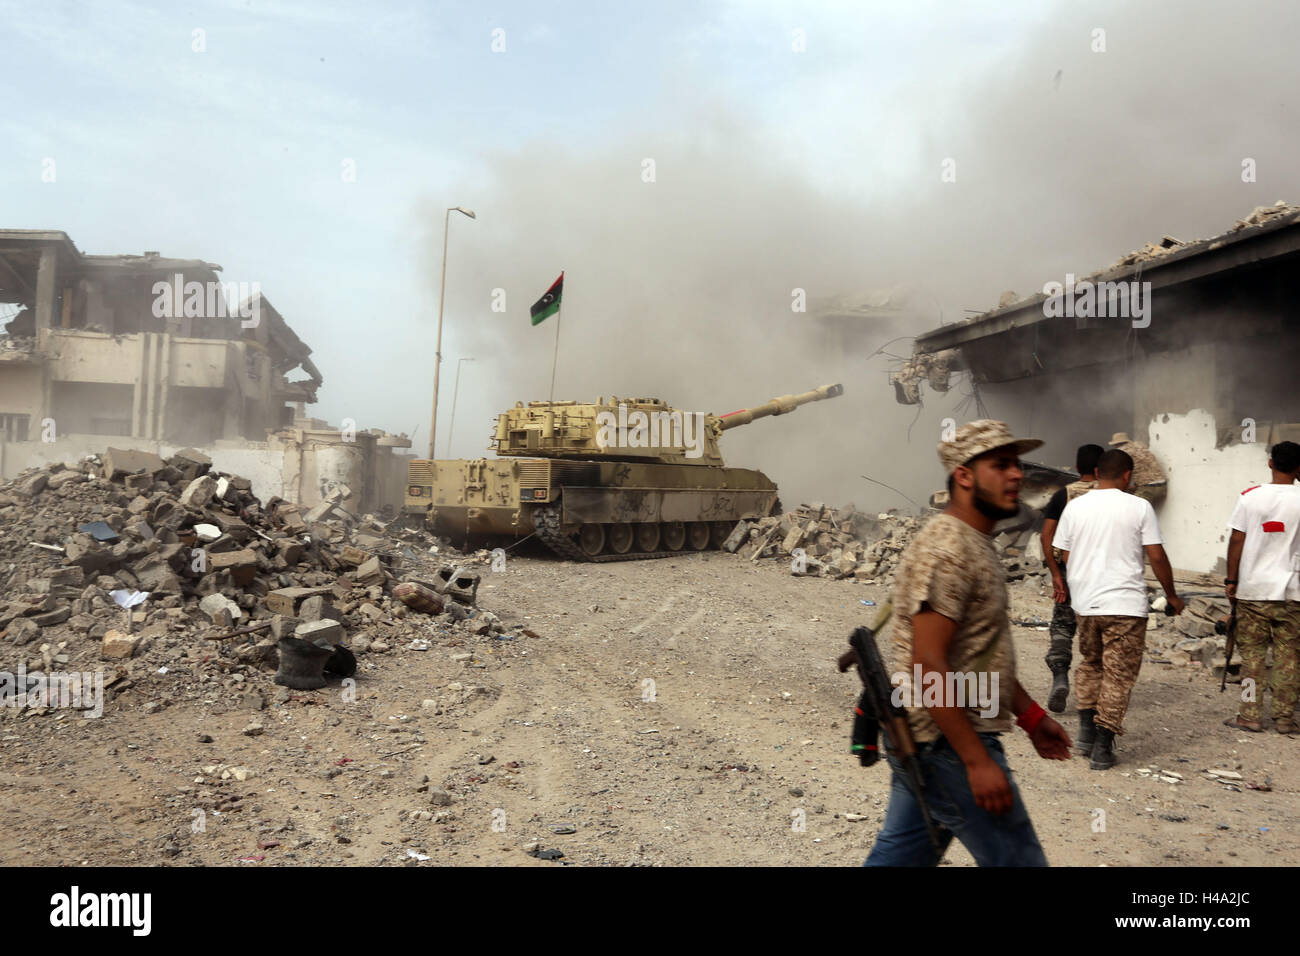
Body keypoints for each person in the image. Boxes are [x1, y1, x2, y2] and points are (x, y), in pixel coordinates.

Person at [864, 420, 1072, 867]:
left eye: (1017, 465)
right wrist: (976, 761)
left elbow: (980, 654)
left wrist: (1032, 716)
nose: (1016, 475)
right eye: (1000, 465)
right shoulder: (948, 548)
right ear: (963, 475)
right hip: (947, 741)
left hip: (932, 739)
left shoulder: (976, 542)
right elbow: (928, 664)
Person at [1055, 449, 1185, 770]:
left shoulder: (1075, 506)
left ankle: (1085, 733)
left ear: (1098, 472)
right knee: (1118, 674)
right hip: (1125, 605)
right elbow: (1156, 555)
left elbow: (1064, 554)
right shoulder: (1139, 507)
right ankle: (1102, 745)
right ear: (1127, 475)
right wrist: (1172, 595)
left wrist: (1083, 583)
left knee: (1091, 663)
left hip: (1086, 604)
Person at [1224, 440, 1300, 734]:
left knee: (1252, 657)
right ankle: (1285, 719)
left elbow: (1236, 540)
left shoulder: (1250, 497)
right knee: (1289, 656)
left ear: (1270, 463)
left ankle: (1249, 715)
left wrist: (1231, 580)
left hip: (1253, 591)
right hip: (1293, 592)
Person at [1040, 443, 1105, 712]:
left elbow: (1047, 536)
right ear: (1102, 468)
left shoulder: (1062, 496)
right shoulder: (1114, 496)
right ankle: (1096, 693)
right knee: (1100, 631)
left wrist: (1056, 573)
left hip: (1069, 571)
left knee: (1063, 627)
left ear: (1077, 467)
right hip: (1102, 574)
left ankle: (1060, 677)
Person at [1108, 432, 1167, 503]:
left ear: (1116, 444)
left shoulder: (1121, 452)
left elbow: (1116, 473)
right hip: (1162, 486)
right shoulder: (1140, 446)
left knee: (1131, 508)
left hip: (1148, 488)